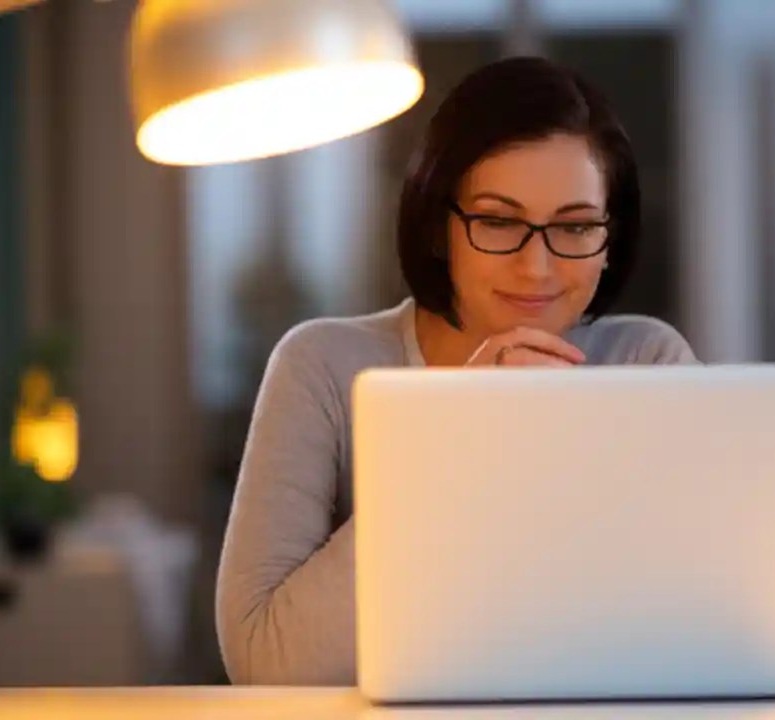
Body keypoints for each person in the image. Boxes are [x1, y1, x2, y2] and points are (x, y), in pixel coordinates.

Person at [216, 56, 697, 686]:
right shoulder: (323, 367)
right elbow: (265, 662)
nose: (537, 267)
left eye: (576, 227)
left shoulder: (646, 365)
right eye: (498, 221)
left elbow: (698, 635)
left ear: (610, 240)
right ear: (440, 229)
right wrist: (455, 436)